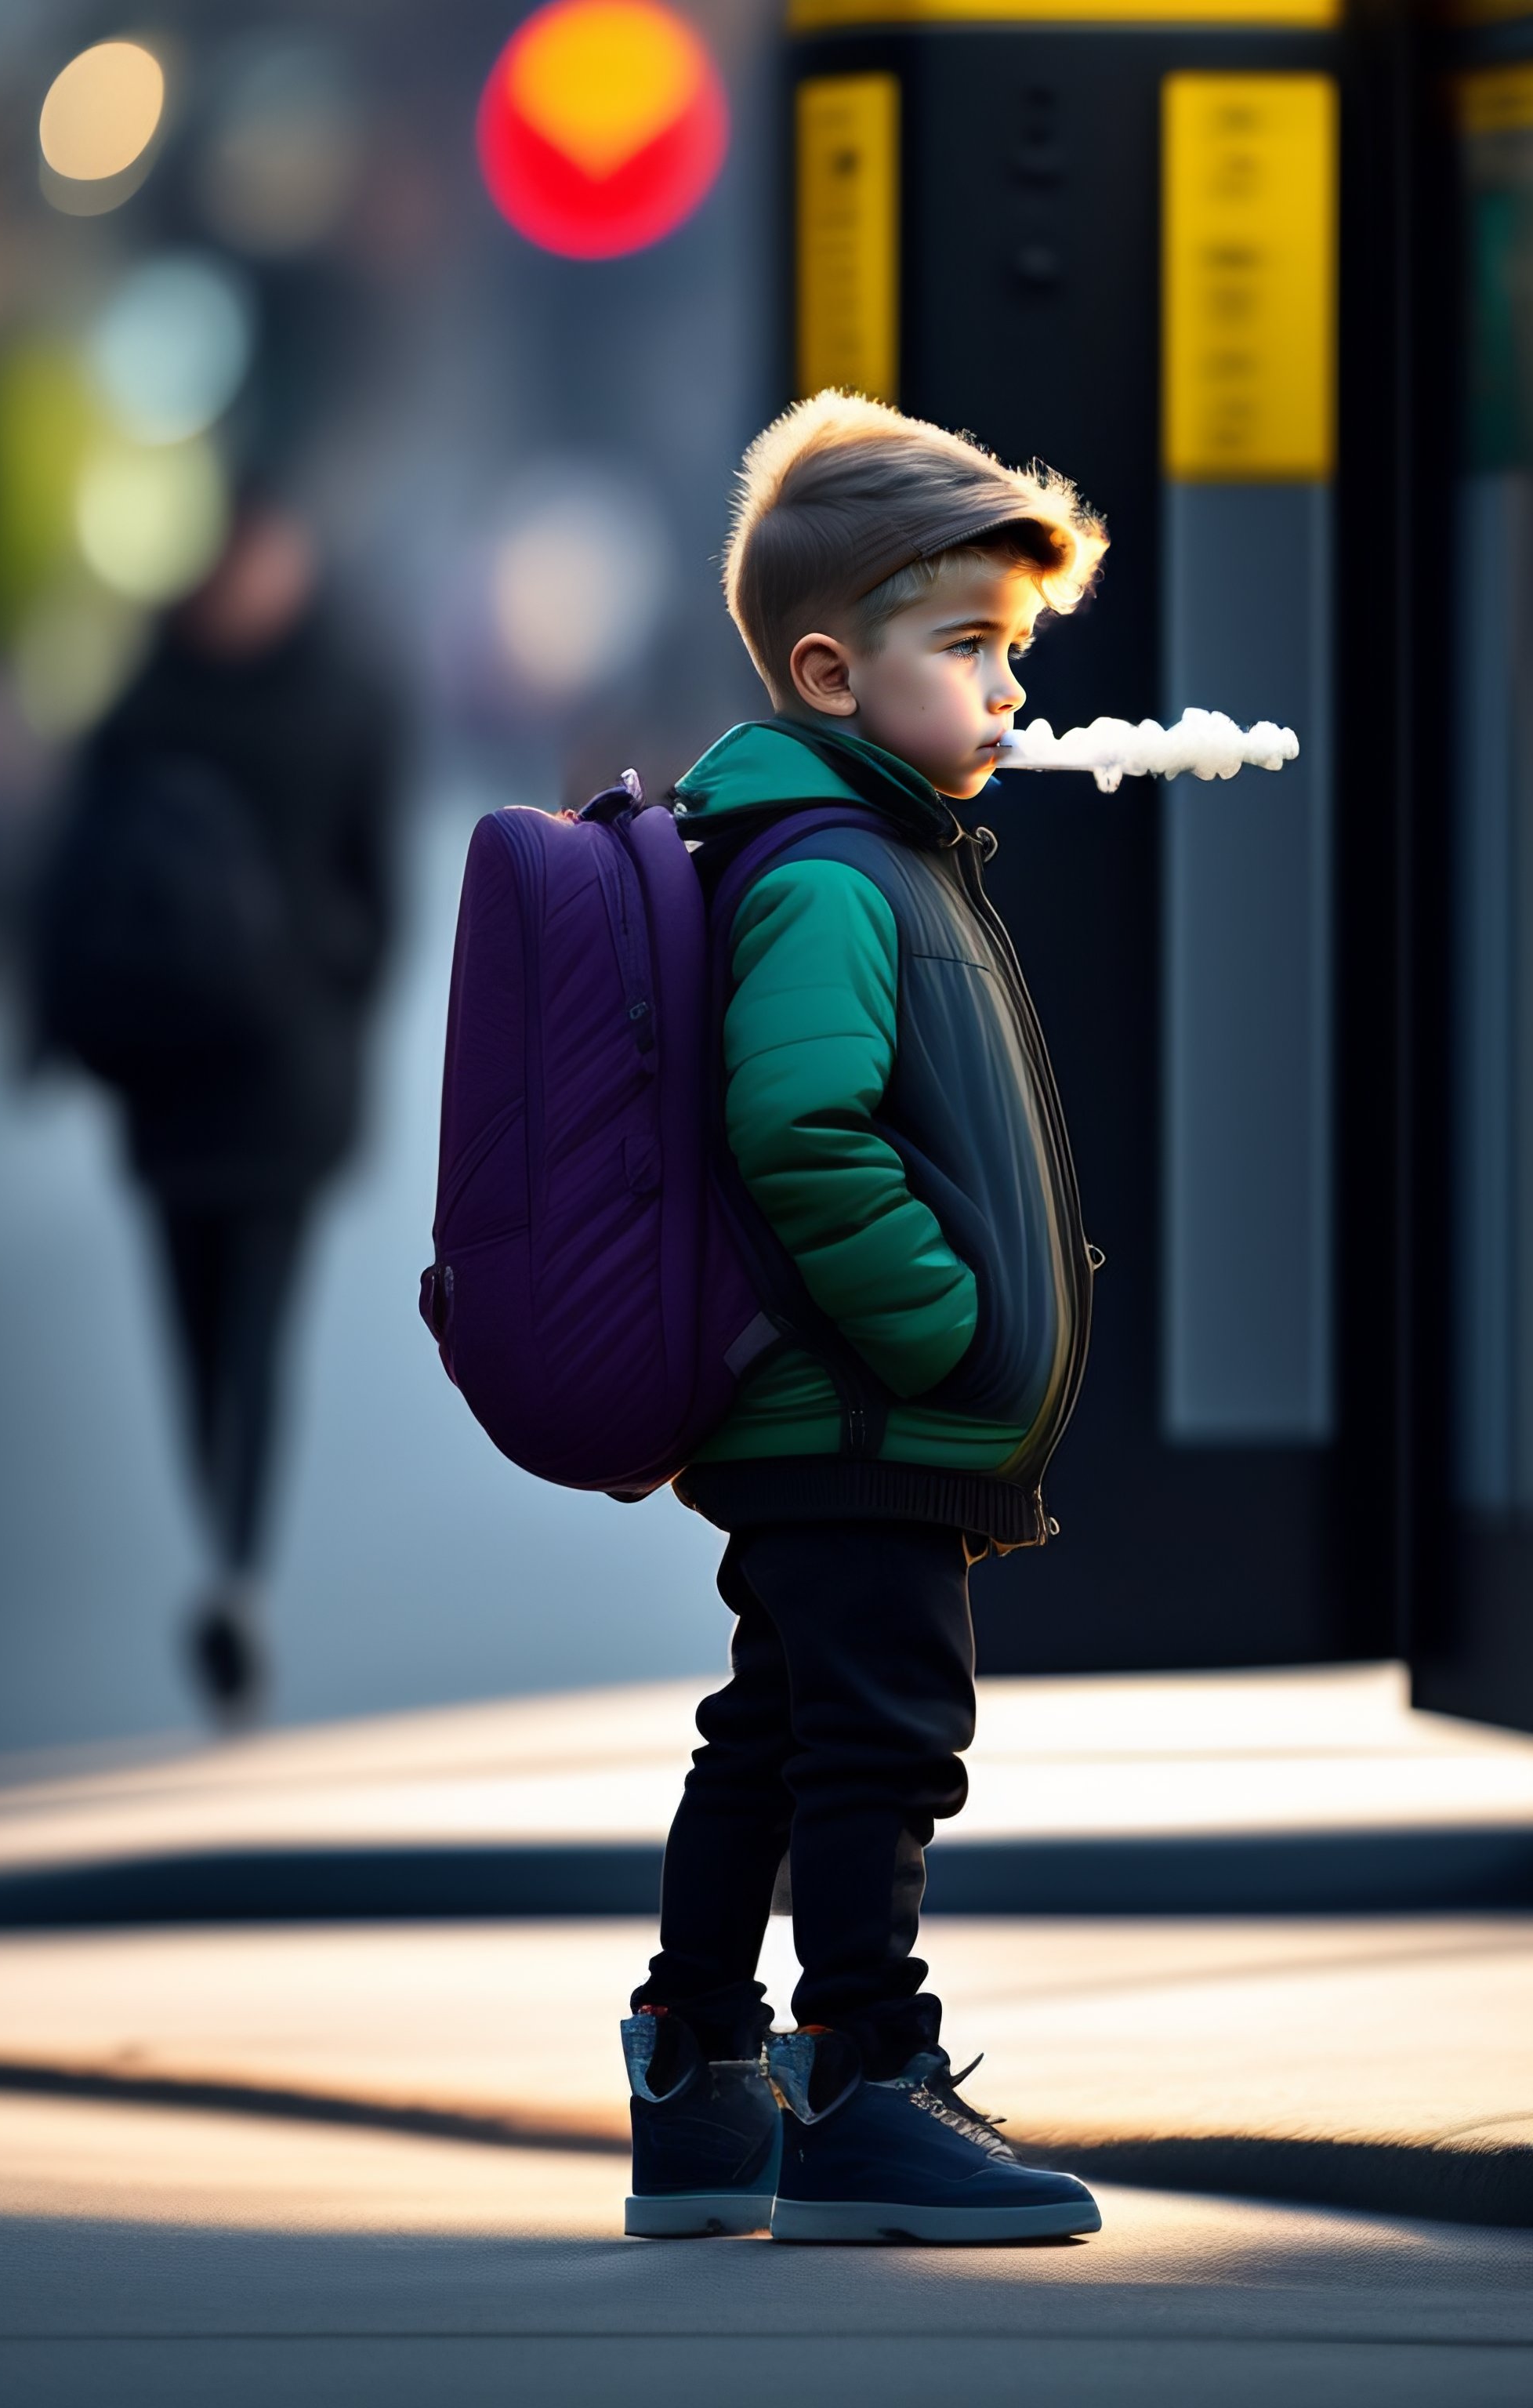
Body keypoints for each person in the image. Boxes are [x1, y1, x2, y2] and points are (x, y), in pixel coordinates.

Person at [620, 393, 1107, 2243]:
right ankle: (861, 2081)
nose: (1004, 691)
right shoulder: (833, 871)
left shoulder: (872, 845)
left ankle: (697, 2079)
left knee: (775, 1729)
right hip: (860, 1417)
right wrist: (946, 1335)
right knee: (881, 1740)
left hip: (832, 1419)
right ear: (830, 669)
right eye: (968, 648)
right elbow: (798, 1123)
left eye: (1015, 652)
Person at [38, 502, 400, 1719]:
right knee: (194, 1331)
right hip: (178, 1070)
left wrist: (336, 997)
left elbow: (378, 889)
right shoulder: (154, 703)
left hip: (280, 1077)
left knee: (253, 1323)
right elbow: (72, 875)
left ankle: (235, 1564)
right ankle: (226, 1546)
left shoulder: (336, 692)